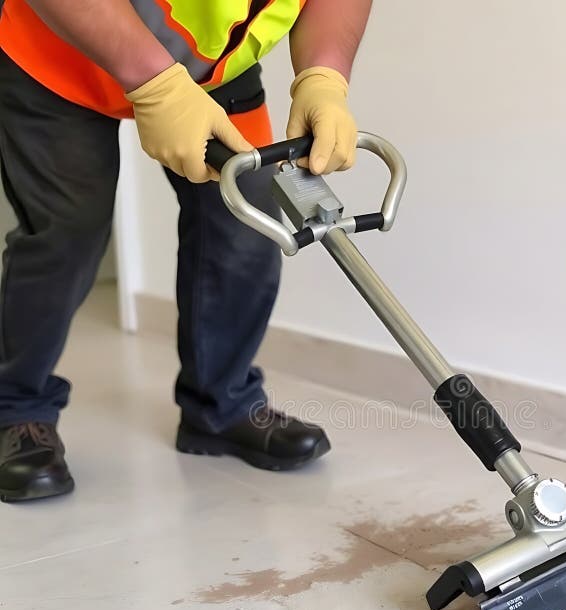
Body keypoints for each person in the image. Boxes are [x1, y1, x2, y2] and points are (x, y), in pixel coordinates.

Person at [0, 0, 372, 503]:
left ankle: (220, 406)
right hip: (53, 48)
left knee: (245, 226)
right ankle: (16, 409)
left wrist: (324, 76)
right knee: (66, 233)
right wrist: (154, 81)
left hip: (212, 68)